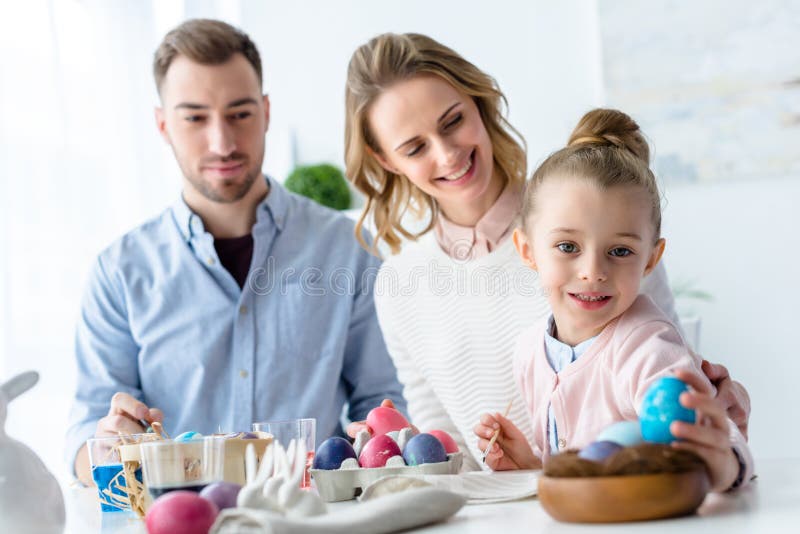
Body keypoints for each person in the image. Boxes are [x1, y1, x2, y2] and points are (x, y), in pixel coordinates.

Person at [343, 32, 750, 471]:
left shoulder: (598, 221)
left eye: (453, 121)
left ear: (479, 103)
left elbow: (664, 369)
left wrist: (717, 412)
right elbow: (448, 460)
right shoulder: (399, 285)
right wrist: (397, 445)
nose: (447, 154)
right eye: (415, 147)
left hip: (624, 498)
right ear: (385, 160)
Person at [66, 19, 406, 486]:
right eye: (195, 118)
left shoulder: (348, 251)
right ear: (163, 124)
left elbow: (384, 402)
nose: (222, 142)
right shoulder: (119, 272)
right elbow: (83, 444)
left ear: (266, 113)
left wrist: (373, 440)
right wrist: (106, 442)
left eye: (240, 114)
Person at [473, 109, 752, 491]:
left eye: (620, 251)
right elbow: (581, 476)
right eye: (567, 246)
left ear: (651, 258)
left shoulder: (647, 348)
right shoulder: (529, 351)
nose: (593, 271)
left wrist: (721, 462)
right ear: (527, 249)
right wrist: (531, 464)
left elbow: (728, 448)